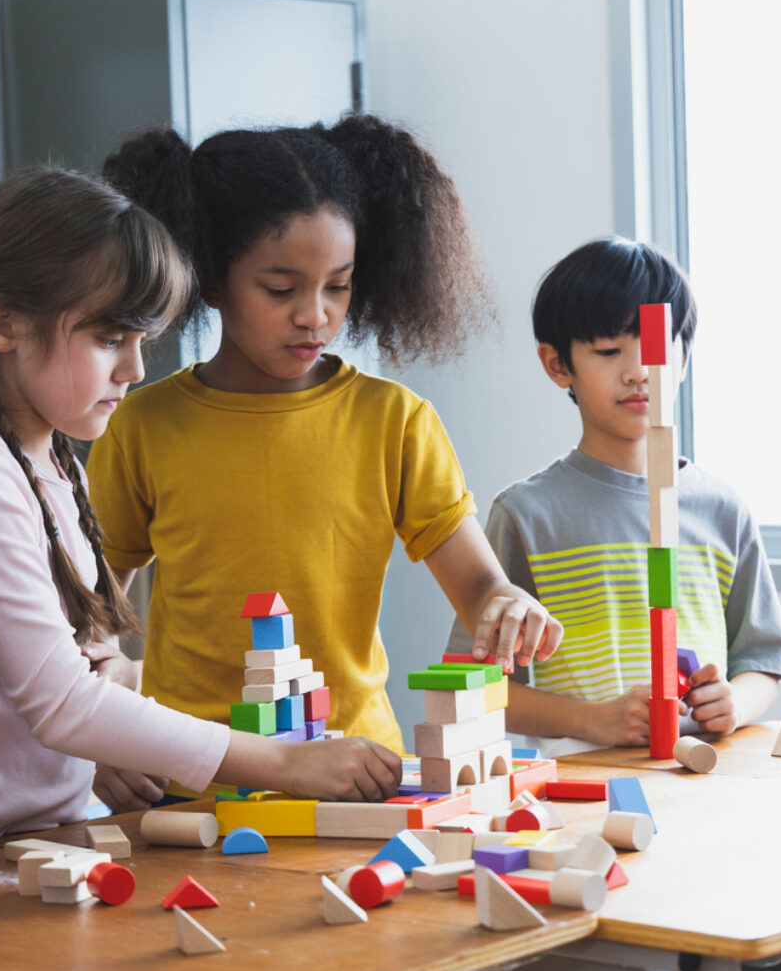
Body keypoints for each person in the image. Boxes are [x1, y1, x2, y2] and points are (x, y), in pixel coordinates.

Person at [0, 167, 408, 849]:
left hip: (51, 841)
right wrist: (282, 760)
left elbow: (82, 672)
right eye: (109, 339)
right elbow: (60, 701)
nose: (134, 369)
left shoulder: (49, 460)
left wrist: (118, 736)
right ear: (1, 322)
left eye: (141, 341)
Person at [88, 117, 562, 804]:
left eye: (337, 286)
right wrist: (105, 728)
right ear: (212, 280)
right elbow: (94, 612)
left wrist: (509, 604)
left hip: (358, 779)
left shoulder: (395, 421)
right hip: (190, 786)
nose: (314, 315)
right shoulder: (143, 425)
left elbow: (482, 590)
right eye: (281, 289)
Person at [444, 237, 781, 757]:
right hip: (581, 787)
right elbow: (472, 685)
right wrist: (593, 721)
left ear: (682, 358)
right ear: (557, 365)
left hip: (705, 773)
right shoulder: (526, 515)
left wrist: (734, 705)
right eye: (609, 351)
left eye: (656, 351)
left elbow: (761, 662)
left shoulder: (721, 509)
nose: (637, 372)